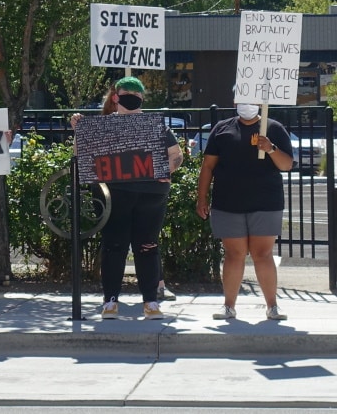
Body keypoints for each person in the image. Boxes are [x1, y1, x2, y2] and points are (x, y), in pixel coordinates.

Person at [87, 76, 182, 321]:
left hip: (149, 194)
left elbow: (176, 155)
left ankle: (150, 301)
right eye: (126, 92)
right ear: (116, 97)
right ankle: (111, 302)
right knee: (114, 247)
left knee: (146, 246)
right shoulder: (104, 125)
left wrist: (167, 170)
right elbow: (84, 155)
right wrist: (79, 128)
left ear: (141, 98)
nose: (130, 96)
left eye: (134, 93)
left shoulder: (156, 125)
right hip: (117, 194)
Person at [196, 102, 294, 321]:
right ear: (234, 102)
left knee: (263, 254)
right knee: (234, 254)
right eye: (241, 97)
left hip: (266, 202)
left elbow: (287, 165)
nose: (245, 103)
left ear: (260, 102)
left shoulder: (274, 128)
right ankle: (229, 306)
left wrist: (270, 148)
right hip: (228, 203)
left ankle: (272, 306)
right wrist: (201, 197)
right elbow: (208, 166)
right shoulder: (222, 129)